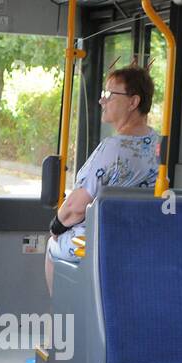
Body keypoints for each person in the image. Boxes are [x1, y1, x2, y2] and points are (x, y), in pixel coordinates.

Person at [45, 66, 160, 294]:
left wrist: (56, 228)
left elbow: (76, 209)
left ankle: (60, 320)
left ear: (133, 102)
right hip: (139, 240)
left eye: (109, 94)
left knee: (52, 246)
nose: (101, 100)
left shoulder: (113, 148)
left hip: (99, 243)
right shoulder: (156, 143)